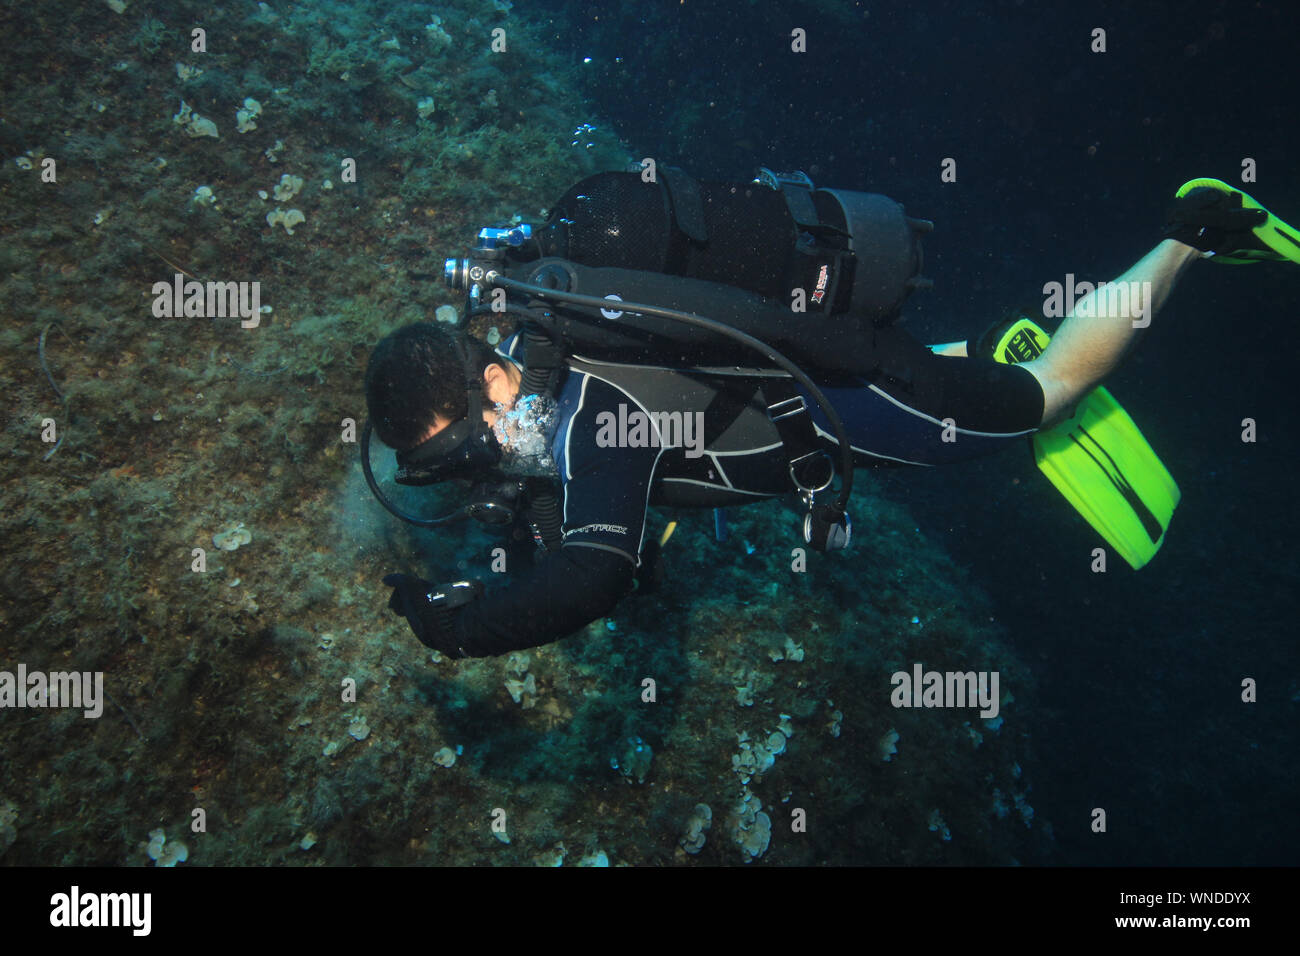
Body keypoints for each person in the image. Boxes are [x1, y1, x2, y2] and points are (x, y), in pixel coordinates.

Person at [368, 170, 1293, 659]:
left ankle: (1193, 228)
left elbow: (593, 581)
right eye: (447, 468)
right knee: (947, 381)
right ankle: (966, 359)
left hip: (856, 391)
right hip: (811, 374)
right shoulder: (549, 332)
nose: (475, 470)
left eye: (462, 452)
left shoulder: (593, 417)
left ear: (494, 382)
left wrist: (463, 625)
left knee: (1050, 395)